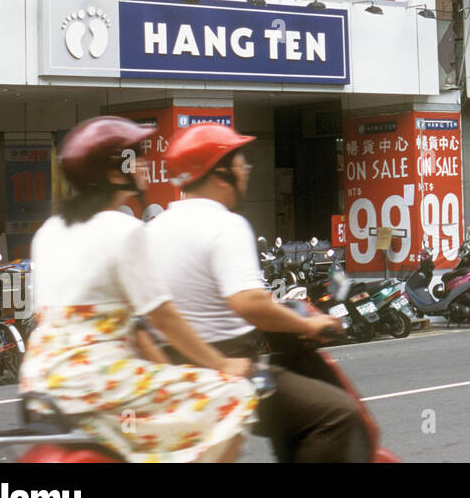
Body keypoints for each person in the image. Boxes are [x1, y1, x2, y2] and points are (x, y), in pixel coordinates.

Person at [18, 117, 257, 463]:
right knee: (235, 393)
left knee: (141, 426)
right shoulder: (124, 229)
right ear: (116, 173)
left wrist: (169, 369)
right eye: (135, 157)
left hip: (41, 384)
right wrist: (222, 364)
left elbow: (131, 326)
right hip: (100, 382)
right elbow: (162, 316)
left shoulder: (48, 230)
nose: (144, 164)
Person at [146, 123, 371, 463]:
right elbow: (247, 302)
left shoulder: (157, 227)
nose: (246, 170)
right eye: (240, 163)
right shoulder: (225, 224)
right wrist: (308, 326)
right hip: (230, 367)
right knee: (337, 414)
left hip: (172, 366)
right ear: (220, 172)